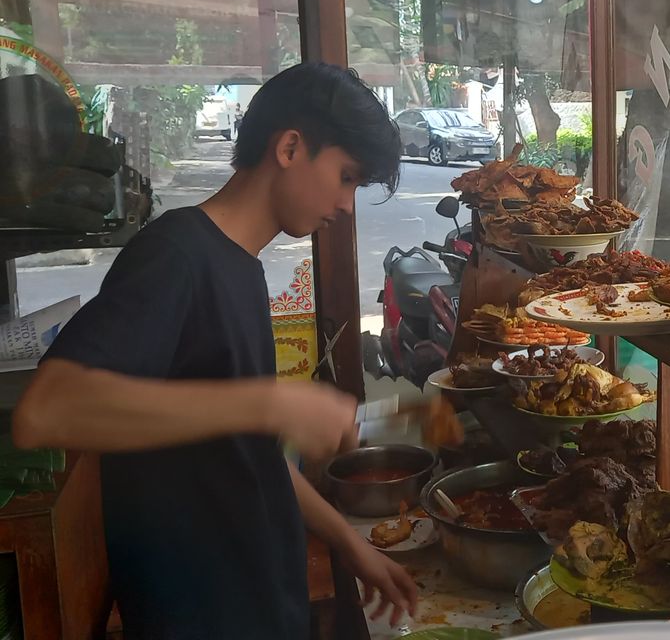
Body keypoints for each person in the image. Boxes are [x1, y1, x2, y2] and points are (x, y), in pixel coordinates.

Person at [13, 63, 419, 639]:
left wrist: (348, 543)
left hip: (260, 597)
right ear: (290, 147)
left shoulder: (241, 266)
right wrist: (269, 404)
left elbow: (248, 452)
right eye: (346, 177)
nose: (347, 205)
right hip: (199, 612)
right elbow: (45, 412)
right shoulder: (175, 256)